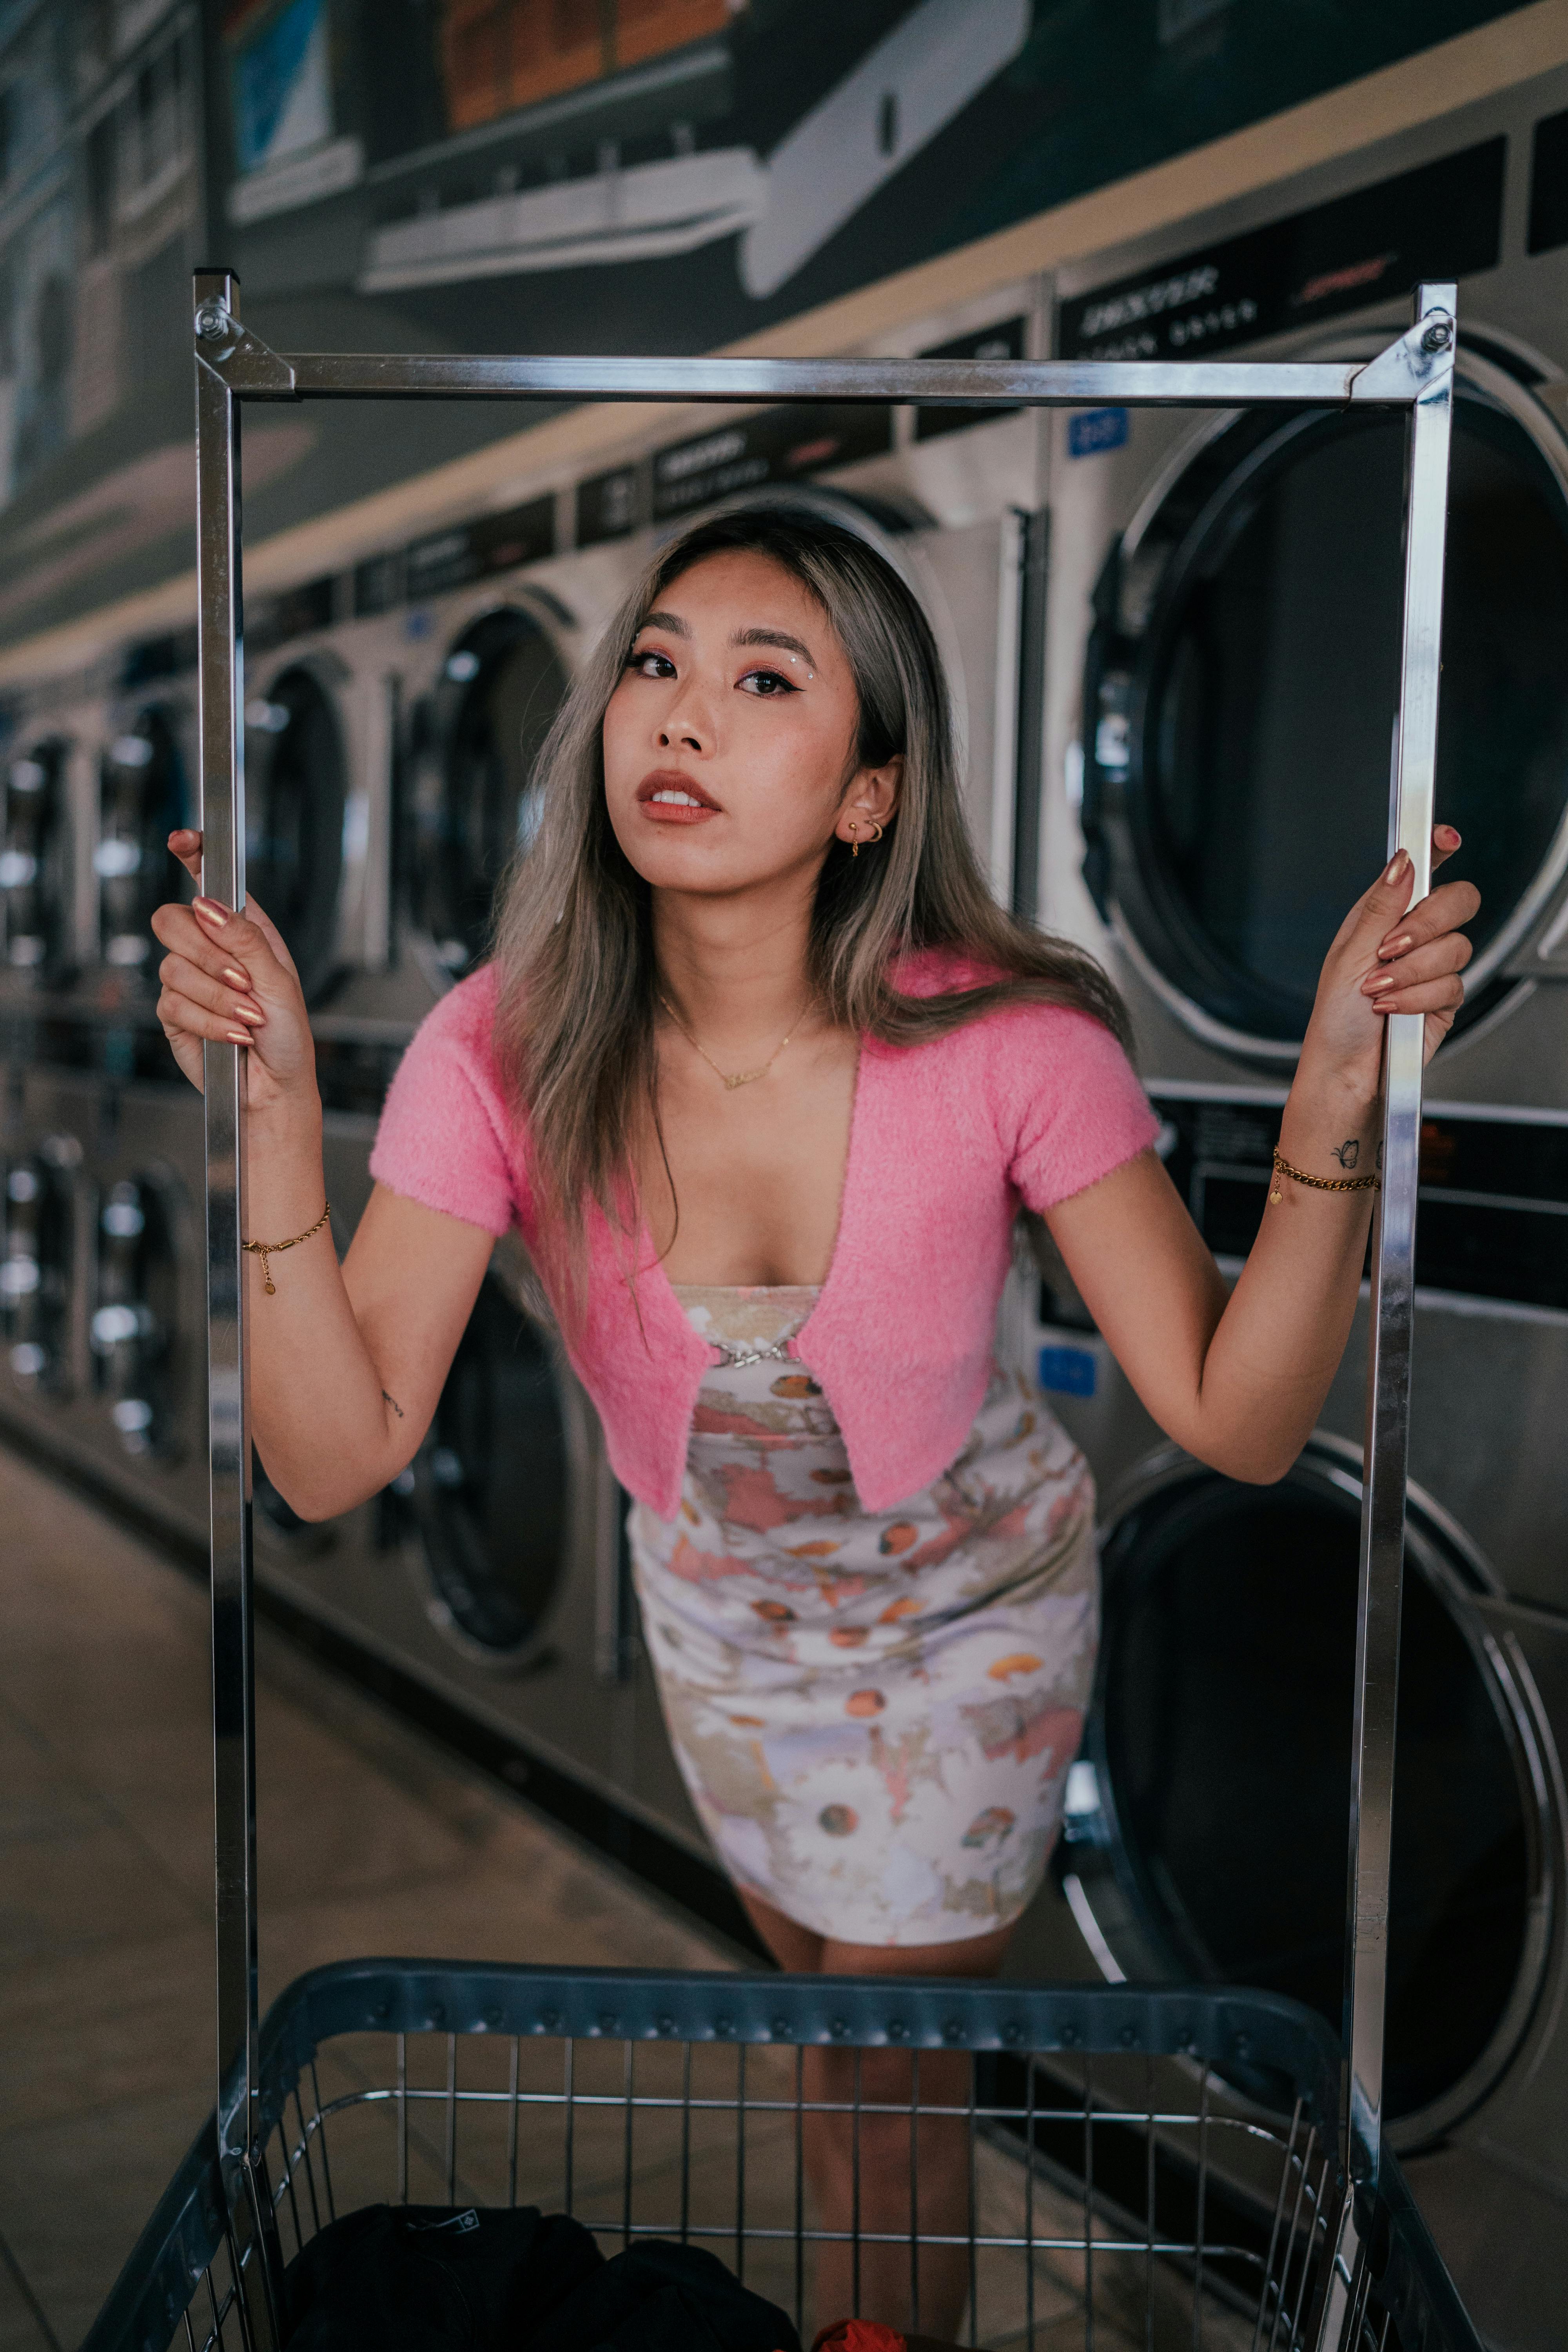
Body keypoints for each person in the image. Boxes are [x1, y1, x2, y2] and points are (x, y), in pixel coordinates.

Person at [152, 506, 1477, 2337]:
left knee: (882, 2069)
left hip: (971, 1619)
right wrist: (277, 1124)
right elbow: (329, 1455)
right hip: (726, 1623)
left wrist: (1334, 1098)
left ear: (869, 794)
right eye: (653, 663)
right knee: (825, 2053)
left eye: (761, 679)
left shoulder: (1016, 1045)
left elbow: (1238, 1422)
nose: (676, 717)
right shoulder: (501, 1044)